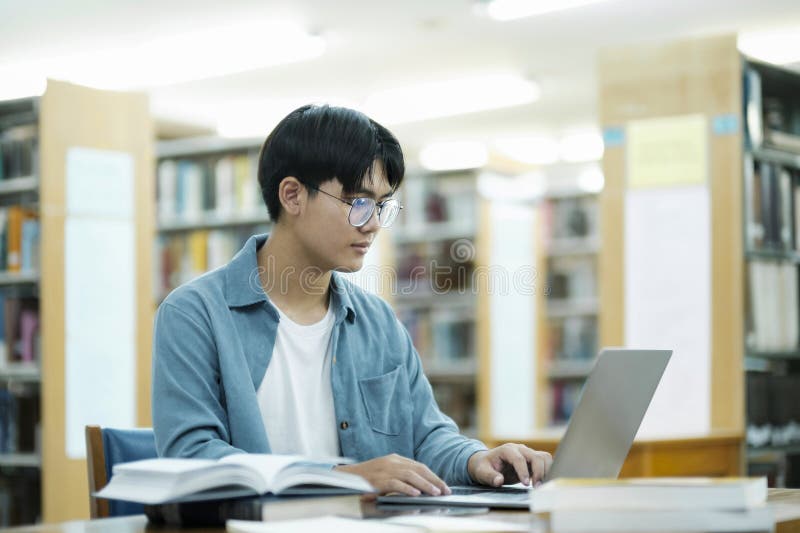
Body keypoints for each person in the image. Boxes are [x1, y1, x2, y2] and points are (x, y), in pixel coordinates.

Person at [152, 104, 552, 496]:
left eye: (382, 206)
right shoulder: (194, 315)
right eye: (359, 203)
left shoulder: (378, 321)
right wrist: (345, 475)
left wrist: (475, 460)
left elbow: (426, 434)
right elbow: (193, 457)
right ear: (292, 196)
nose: (374, 223)